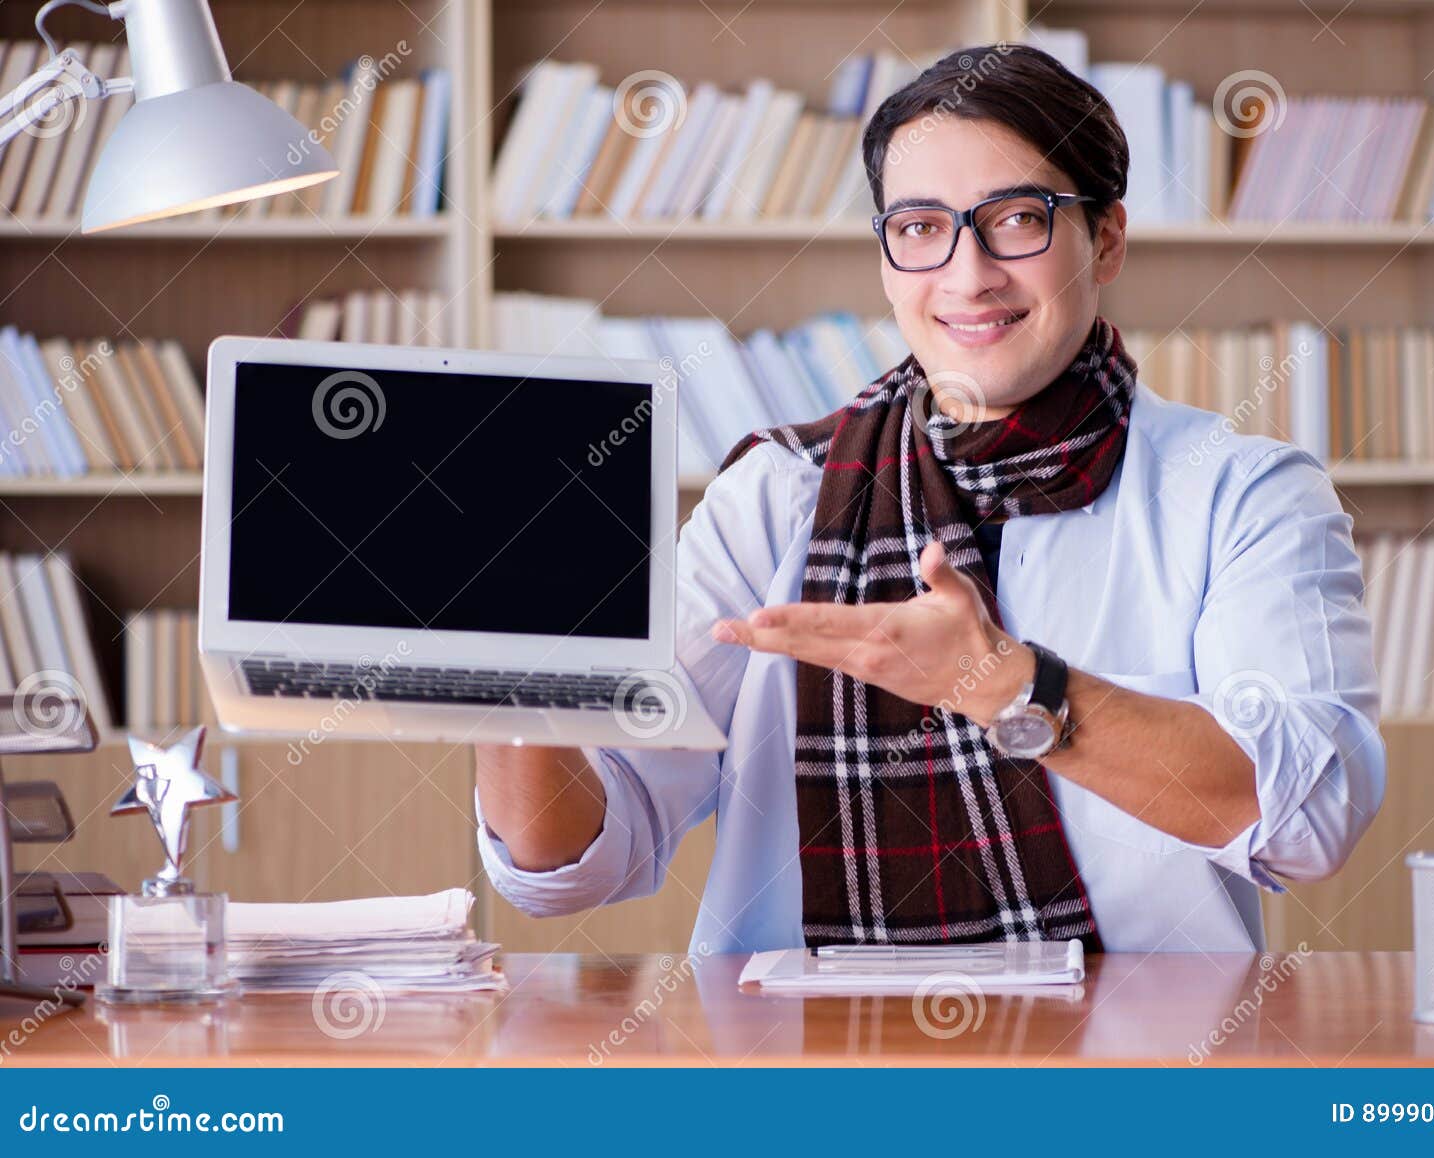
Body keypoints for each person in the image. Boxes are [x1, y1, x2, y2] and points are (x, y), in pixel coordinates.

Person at [475, 43, 1384, 952]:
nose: (967, 274)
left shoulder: (1244, 494)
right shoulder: (778, 497)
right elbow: (572, 861)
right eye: (919, 228)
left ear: (1105, 239)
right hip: (811, 1066)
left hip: (1138, 1064)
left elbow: (1308, 823)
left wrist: (1008, 687)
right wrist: (512, 673)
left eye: (1017, 218)